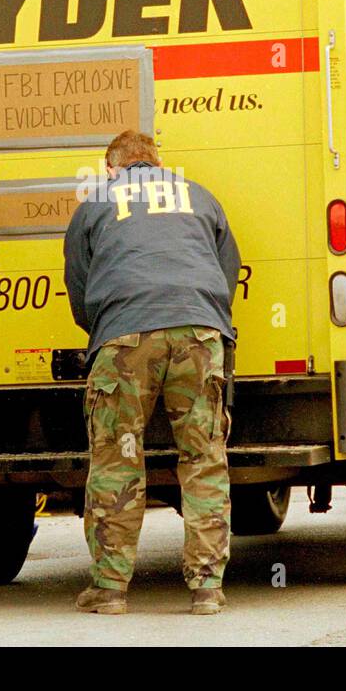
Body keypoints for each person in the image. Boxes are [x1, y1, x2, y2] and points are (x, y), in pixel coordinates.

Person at [63, 130, 241, 615]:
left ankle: (110, 589)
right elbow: (228, 274)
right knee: (203, 457)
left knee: (117, 459)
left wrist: (106, 329)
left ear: (112, 168)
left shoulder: (95, 203)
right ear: (158, 163)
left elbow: (79, 290)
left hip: (124, 339)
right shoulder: (199, 195)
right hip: (200, 333)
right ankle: (207, 588)